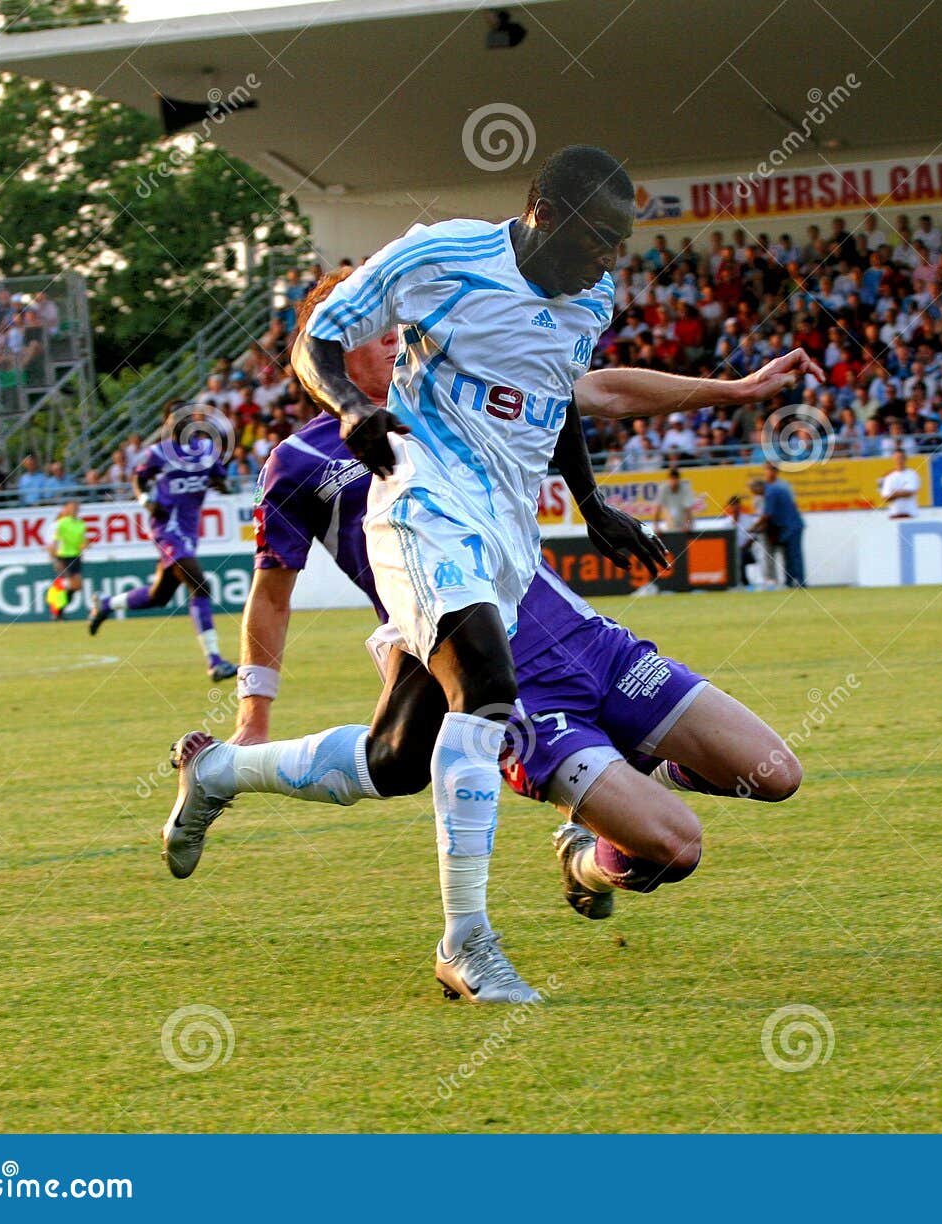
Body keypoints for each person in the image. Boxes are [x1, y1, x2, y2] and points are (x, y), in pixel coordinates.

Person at [163, 152, 819, 1005]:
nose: (611, 258)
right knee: (485, 690)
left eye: (620, 241)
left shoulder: (589, 297)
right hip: (422, 517)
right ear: (544, 211)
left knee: (397, 760)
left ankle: (221, 776)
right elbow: (315, 343)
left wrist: (591, 501)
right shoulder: (439, 260)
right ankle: (466, 943)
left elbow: (562, 395)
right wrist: (354, 411)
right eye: (599, 236)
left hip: (512, 555)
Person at [86, 401, 238, 682]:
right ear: (167, 423)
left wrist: (220, 482)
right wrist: (146, 500)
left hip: (189, 531)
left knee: (160, 595)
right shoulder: (157, 453)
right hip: (166, 529)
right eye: (174, 418)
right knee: (200, 586)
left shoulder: (206, 450)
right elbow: (138, 479)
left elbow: (219, 477)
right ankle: (215, 662)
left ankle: (106, 604)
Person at [753, 464, 806, 587]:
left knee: (794, 554)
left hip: (790, 526)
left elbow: (767, 514)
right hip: (783, 527)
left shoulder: (773, 490)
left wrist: (754, 527)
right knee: (788, 555)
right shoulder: (772, 489)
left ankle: (800, 581)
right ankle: (789, 581)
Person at [44, 500, 87, 619]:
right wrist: (55, 558)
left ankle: (56, 604)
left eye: (76, 508)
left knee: (76, 586)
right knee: (70, 584)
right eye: (72, 507)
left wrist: (83, 547)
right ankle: (56, 609)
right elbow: (53, 542)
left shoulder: (80, 524)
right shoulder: (60, 524)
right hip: (63, 557)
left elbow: (81, 540)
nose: (74, 510)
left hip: (75, 556)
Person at [878, 450, 921, 519]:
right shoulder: (889, 477)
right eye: (897, 458)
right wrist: (901, 493)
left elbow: (910, 493)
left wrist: (894, 493)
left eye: (901, 458)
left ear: (905, 458)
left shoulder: (912, 474)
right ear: (893, 459)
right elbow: (885, 498)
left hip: (910, 515)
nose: (899, 460)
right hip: (894, 515)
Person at [656, 464, 697, 534]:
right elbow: (658, 508)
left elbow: (688, 509)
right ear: (669, 479)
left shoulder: (685, 489)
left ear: (678, 479)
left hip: (684, 524)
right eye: (672, 478)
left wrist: (687, 525)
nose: (674, 481)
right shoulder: (663, 489)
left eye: (675, 478)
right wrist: (656, 526)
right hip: (670, 525)